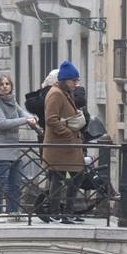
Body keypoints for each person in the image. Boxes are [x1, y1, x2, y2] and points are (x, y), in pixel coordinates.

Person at [0, 75, 37, 214]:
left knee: (15, 181)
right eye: (2, 84)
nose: (5, 86)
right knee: (0, 180)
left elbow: (21, 112)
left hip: (13, 146)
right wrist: (25, 120)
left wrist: (32, 118)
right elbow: (2, 123)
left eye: (7, 83)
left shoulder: (11, 100)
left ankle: (13, 211)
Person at [42, 60, 86, 224]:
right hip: (59, 145)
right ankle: (55, 213)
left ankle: (68, 212)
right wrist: (68, 134)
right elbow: (51, 120)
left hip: (68, 146)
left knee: (78, 175)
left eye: (77, 80)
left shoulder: (65, 92)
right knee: (58, 177)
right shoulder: (55, 94)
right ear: (65, 80)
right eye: (74, 80)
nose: (76, 83)